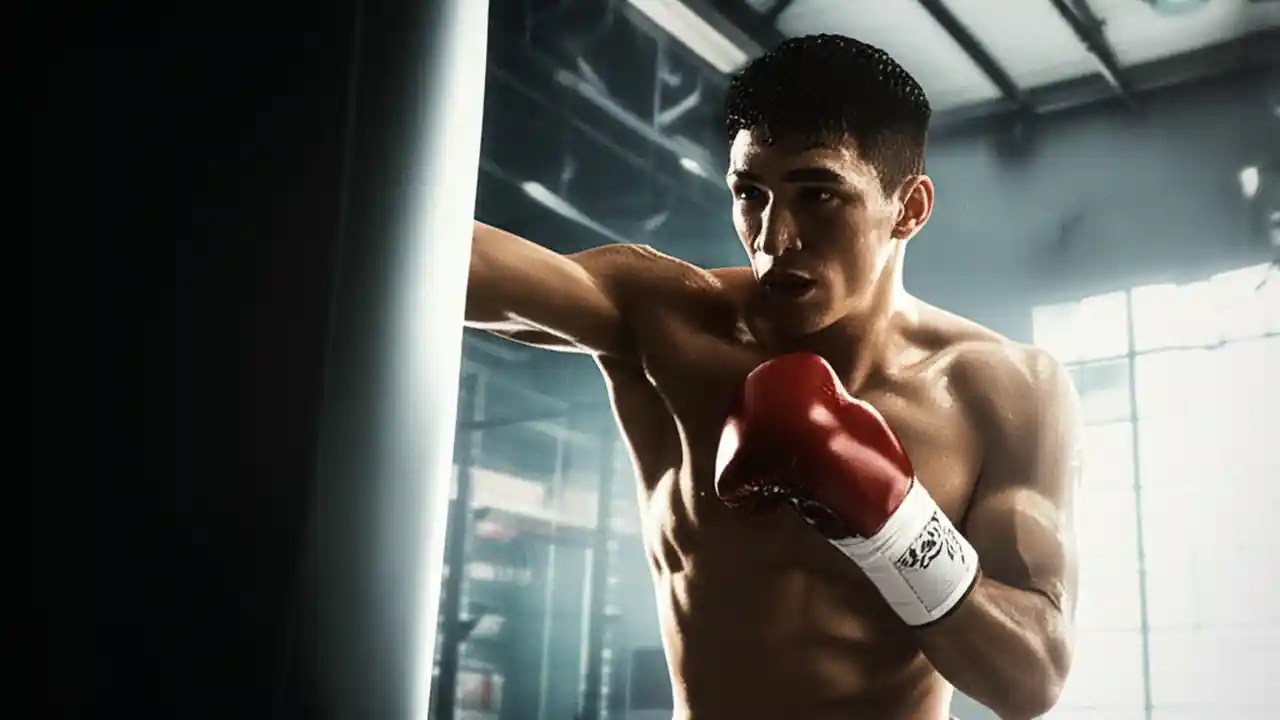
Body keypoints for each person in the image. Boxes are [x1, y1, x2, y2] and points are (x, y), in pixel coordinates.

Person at [465, 34, 1080, 720]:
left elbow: (1032, 681)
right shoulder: (668, 320)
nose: (773, 237)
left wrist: (893, 522)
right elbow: (447, 262)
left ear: (907, 209)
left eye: (819, 194)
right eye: (750, 193)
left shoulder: (1005, 390)